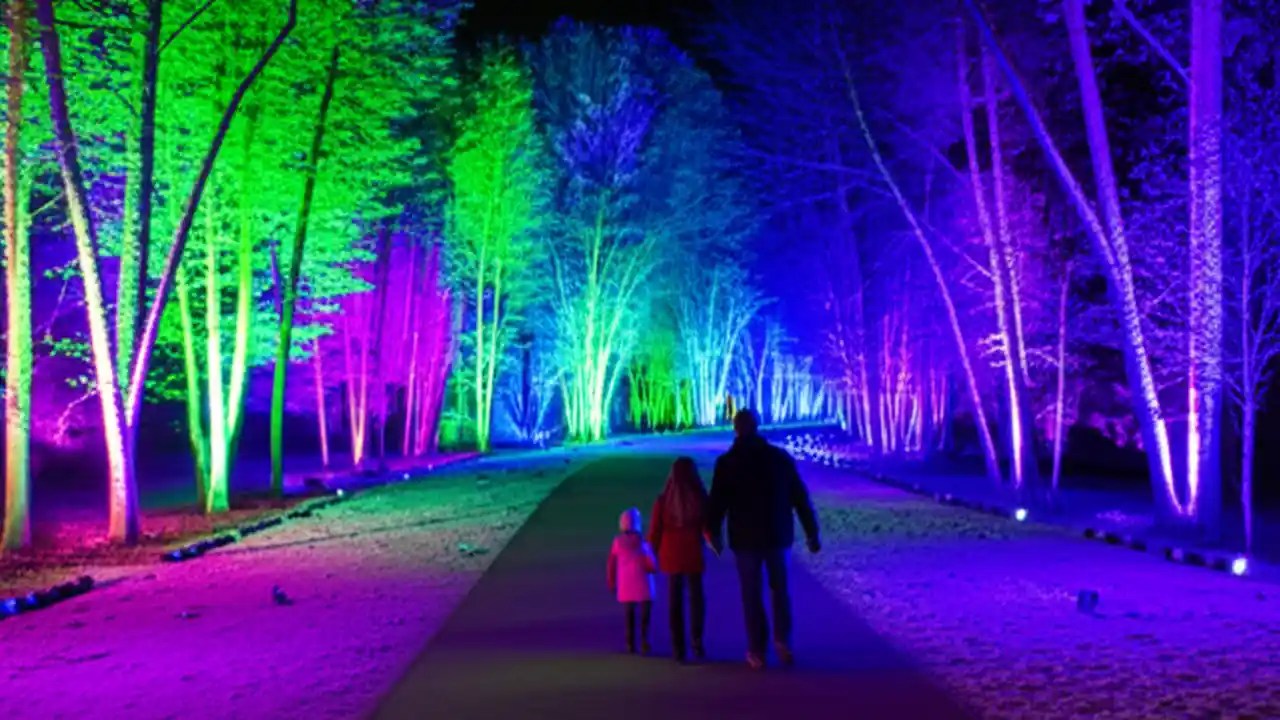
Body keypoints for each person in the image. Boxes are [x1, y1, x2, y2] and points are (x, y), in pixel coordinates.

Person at [706, 409, 820, 670]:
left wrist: (713, 531)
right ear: (757, 427)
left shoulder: (727, 463)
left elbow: (717, 502)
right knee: (780, 590)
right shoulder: (779, 458)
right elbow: (799, 497)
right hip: (777, 534)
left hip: (745, 538)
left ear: (736, 429)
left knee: (751, 594)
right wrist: (811, 532)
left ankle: (757, 649)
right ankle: (782, 639)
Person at [649, 457, 710, 663]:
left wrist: (650, 554)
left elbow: (655, 531)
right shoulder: (700, 498)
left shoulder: (663, 501)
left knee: (675, 602)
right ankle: (697, 641)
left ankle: (678, 647)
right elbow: (708, 527)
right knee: (696, 598)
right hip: (693, 551)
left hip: (671, 553)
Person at [607, 507, 657, 655]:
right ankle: (644, 641)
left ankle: (630, 643)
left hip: (625, 585)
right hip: (644, 585)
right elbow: (652, 566)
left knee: (629, 615)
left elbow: (611, 563)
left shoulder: (617, 543)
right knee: (645, 615)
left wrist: (611, 581)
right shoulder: (644, 544)